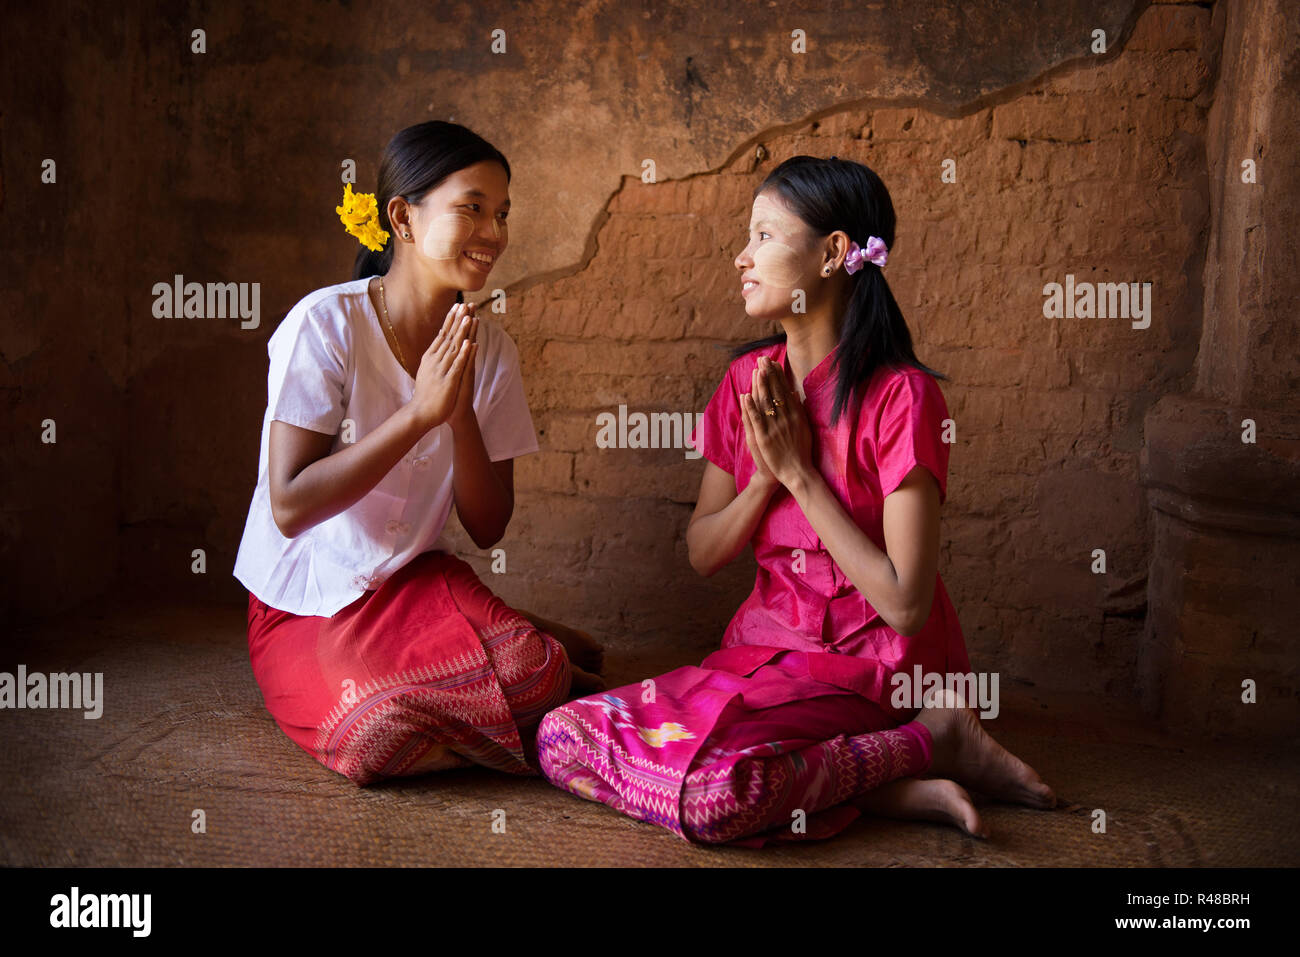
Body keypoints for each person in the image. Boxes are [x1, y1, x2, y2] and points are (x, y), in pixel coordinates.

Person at [536, 155, 1055, 845]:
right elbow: (703, 552)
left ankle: (930, 735)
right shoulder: (748, 380)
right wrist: (764, 477)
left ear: (835, 253)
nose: (741, 257)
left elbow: (905, 604)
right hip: (762, 651)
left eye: (765, 236)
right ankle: (886, 781)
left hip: (875, 670)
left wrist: (802, 474)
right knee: (562, 734)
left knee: (720, 794)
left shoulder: (903, 397)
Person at [234, 121, 602, 787]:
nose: (493, 232)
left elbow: (488, 526)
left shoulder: (490, 352)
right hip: (308, 601)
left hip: (414, 581)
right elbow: (289, 506)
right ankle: (500, 667)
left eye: (502, 213)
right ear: (402, 217)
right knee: (372, 737)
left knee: (539, 673)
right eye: (472, 208)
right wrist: (418, 413)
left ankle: (503, 663)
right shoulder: (326, 324)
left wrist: (456, 412)